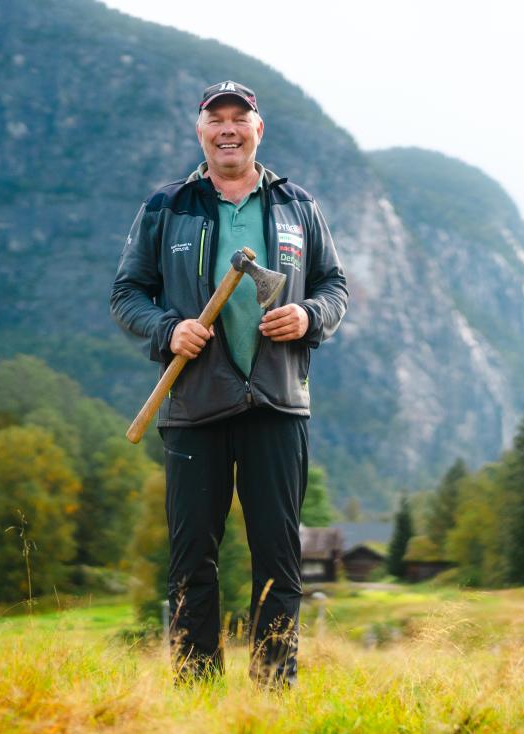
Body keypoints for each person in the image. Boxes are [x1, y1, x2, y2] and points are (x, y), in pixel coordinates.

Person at [110, 80, 348, 688]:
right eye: (215, 119)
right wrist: (169, 330)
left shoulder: (298, 205)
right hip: (194, 404)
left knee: (279, 560)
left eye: (239, 118)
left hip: (278, 403)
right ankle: (196, 691)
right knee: (192, 560)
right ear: (200, 131)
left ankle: (271, 692)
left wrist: (308, 316)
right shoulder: (168, 206)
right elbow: (127, 293)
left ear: (258, 129)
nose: (227, 130)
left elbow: (334, 287)